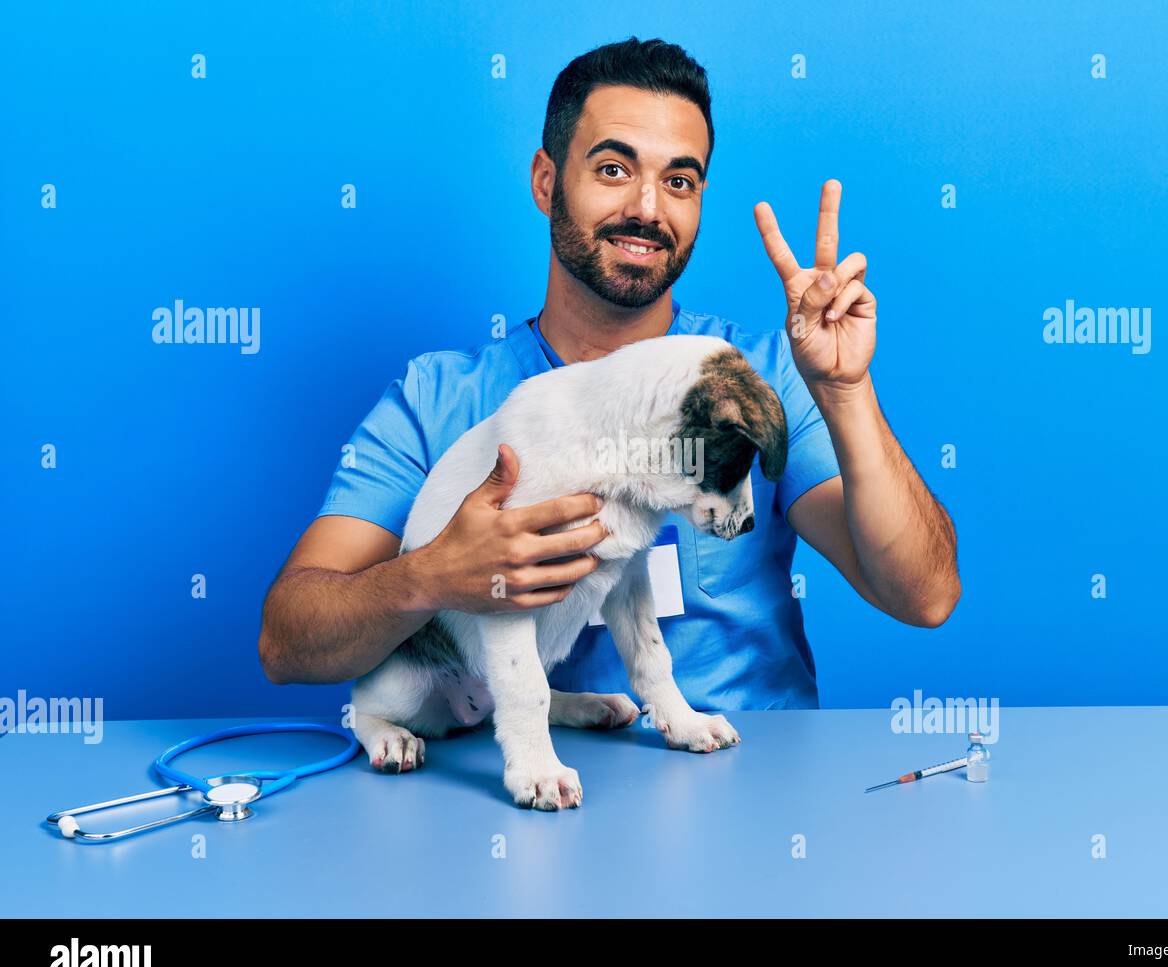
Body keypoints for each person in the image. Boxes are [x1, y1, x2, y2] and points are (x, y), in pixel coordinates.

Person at [259, 37, 960, 711]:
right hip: (519, 789)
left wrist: (844, 391)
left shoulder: (758, 382)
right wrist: (431, 577)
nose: (648, 210)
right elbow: (287, 643)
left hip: (748, 777)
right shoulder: (439, 400)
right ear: (546, 181)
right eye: (614, 169)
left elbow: (924, 596)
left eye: (679, 181)